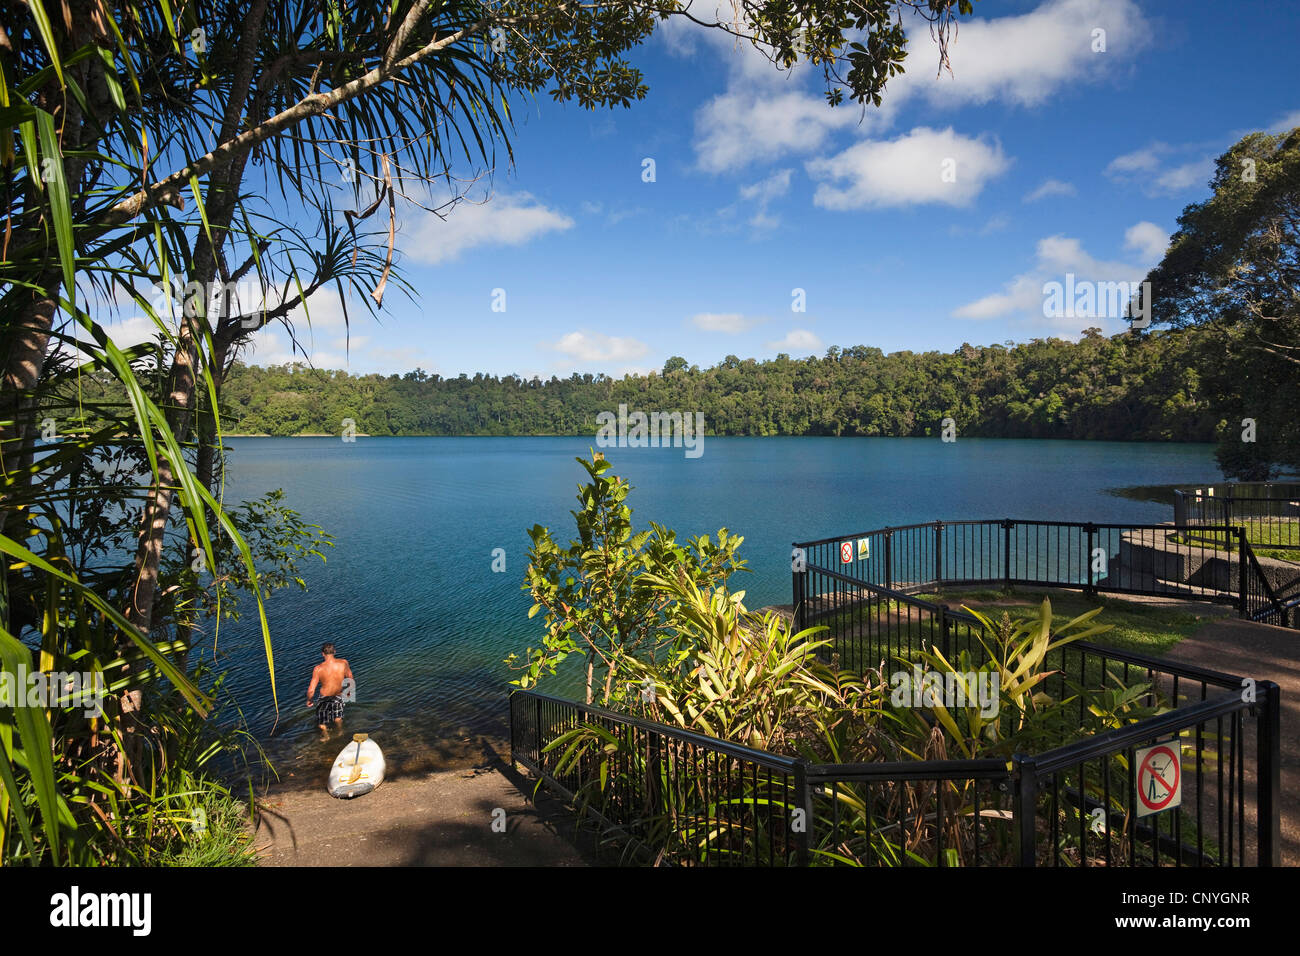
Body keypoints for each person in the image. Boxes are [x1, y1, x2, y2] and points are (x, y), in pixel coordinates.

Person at [306, 643, 354, 737]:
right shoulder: (344, 663)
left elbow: (311, 689)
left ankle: (326, 735)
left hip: (324, 697)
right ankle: (340, 731)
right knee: (338, 717)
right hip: (338, 695)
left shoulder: (318, 669)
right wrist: (349, 692)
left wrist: (309, 700)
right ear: (334, 652)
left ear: (322, 654)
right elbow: (350, 677)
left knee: (322, 721)